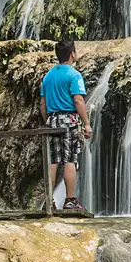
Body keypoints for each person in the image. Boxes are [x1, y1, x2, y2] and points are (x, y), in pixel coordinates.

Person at [39, 40, 92, 210]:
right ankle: (70, 200)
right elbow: (78, 100)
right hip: (69, 120)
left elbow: (42, 104)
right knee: (70, 159)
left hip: (52, 120)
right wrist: (86, 123)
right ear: (72, 54)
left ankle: (49, 200)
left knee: (54, 160)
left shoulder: (48, 76)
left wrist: (49, 119)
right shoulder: (74, 75)